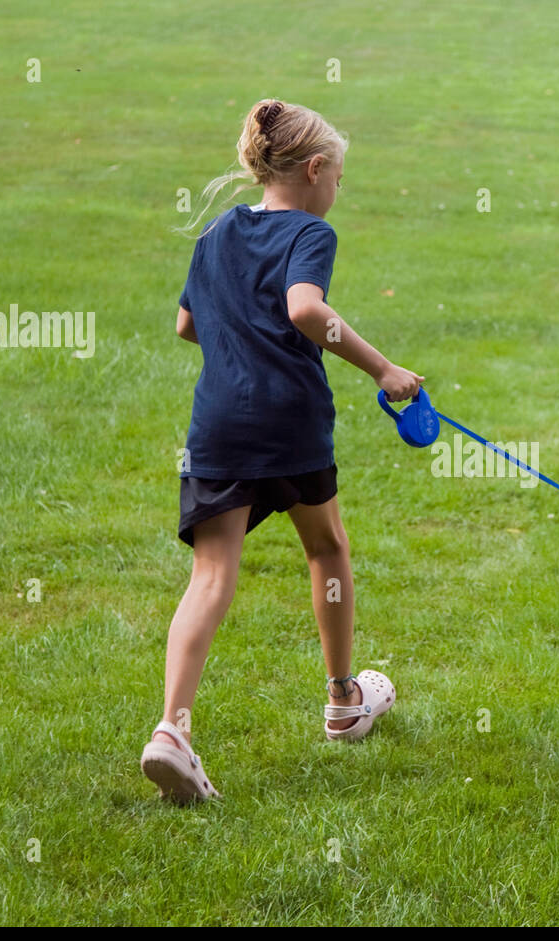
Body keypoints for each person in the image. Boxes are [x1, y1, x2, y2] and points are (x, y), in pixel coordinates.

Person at [141, 98, 424, 803]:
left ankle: (172, 730)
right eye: (339, 178)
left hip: (216, 426)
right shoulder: (308, 232)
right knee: (325, 548)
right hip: (288, 424)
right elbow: (304, 308)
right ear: (316, 169)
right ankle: (342, 699)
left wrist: (239, 344)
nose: (338, 193)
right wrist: (384, 370)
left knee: (210, 577)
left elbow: (185, 324)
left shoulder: (214, 236)